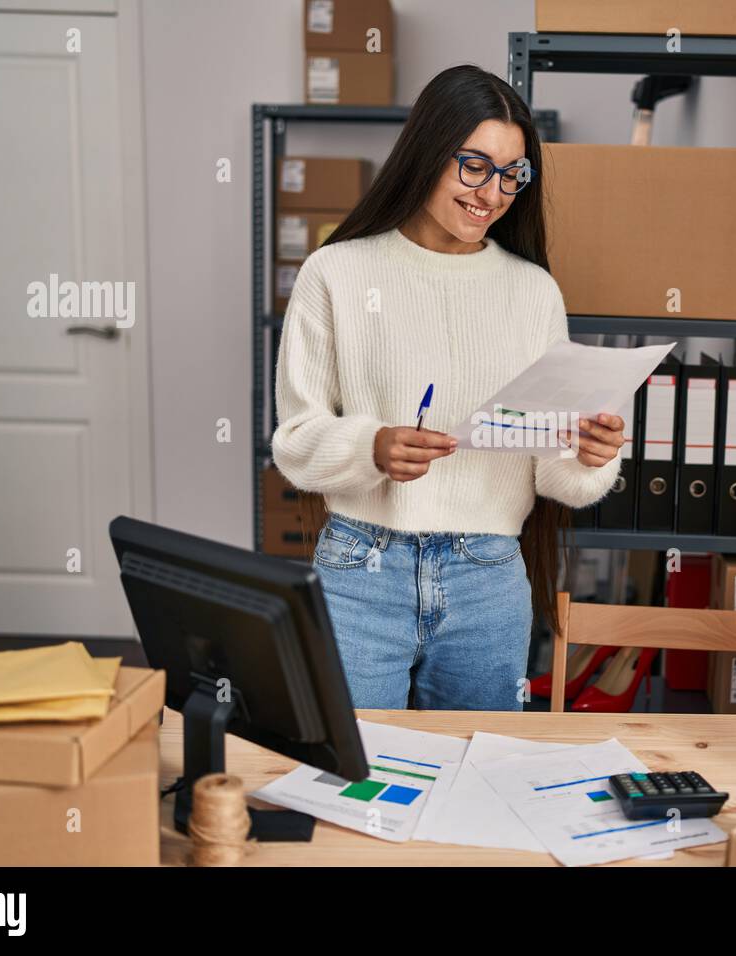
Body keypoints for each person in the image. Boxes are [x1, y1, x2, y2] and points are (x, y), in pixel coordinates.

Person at [272, 64, 624, 711]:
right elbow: (294, 444)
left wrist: (591, 458)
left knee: (482, 770)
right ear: (429, 153)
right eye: (475, 166)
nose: (493, 192)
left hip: (486, 573)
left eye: (512, 173)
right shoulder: (338, 273)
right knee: (351, 776)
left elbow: (554, 473)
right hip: (360, 567)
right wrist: (371, 447)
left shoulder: (532, 290)